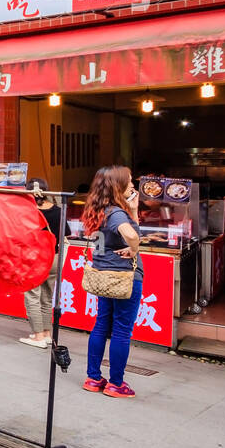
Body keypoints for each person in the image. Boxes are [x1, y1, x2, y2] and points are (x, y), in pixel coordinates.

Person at [80, 165, 143, 398]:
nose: (133, 185)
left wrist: (134, 211)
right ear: (118, 186)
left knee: (101, 325)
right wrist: (134, 249)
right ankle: (116, 383)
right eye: (130, 181)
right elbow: (132, 235)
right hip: (124, 277)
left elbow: (103, 244)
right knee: (121, 331)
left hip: (103, 277)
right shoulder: (116, 213)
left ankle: (93, 378)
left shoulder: (98, 210)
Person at [21, 177, 64, 347]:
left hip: (34, 258)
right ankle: (47, 333)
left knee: (32, 296)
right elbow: (65, 233)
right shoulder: (58, 210)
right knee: (46, 296)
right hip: (53, 257)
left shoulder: (28, 211)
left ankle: (38, 335)